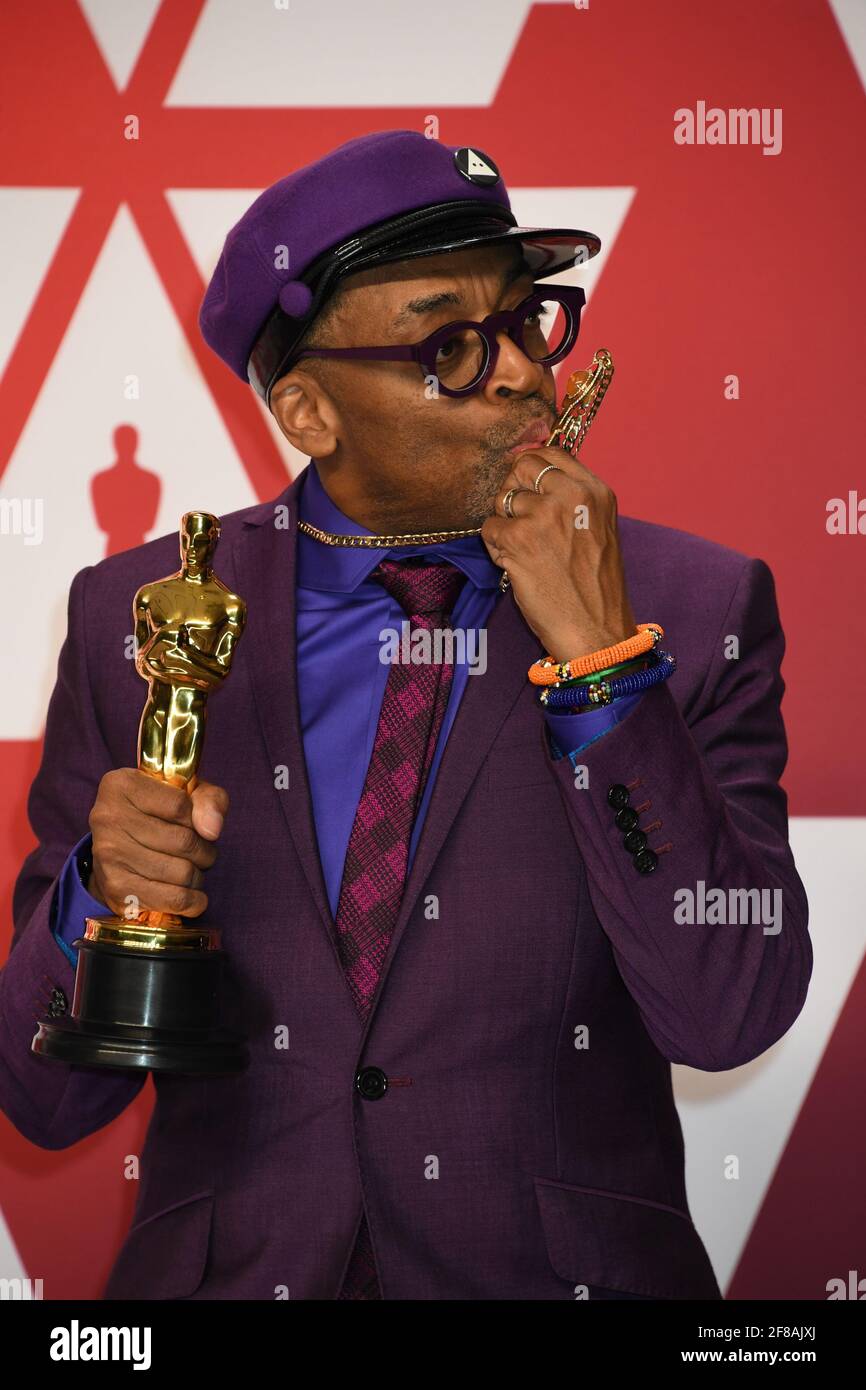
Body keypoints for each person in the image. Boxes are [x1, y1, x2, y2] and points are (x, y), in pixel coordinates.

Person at [1, 130, 811, 1300]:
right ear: (308, 409)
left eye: (526, 322)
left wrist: (599, 663)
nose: (523, 375)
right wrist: (101, 893)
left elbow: (726, 1007)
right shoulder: (141, 617)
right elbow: (43, 1094)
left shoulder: (693, 604)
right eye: (450, 346)